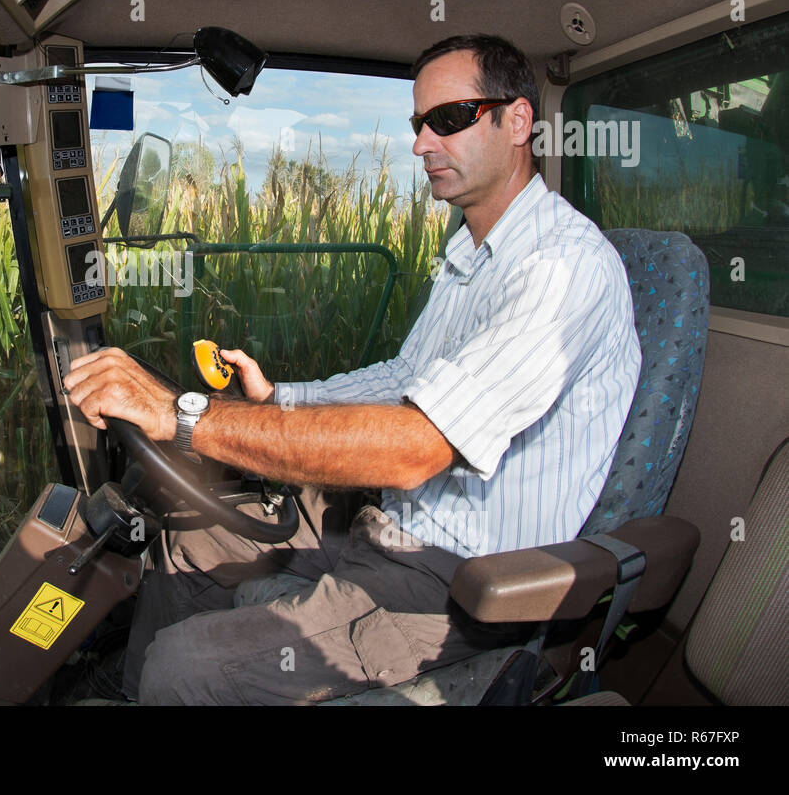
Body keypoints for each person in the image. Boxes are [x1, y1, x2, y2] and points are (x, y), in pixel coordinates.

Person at [63, 34, 642, 705]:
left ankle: (161, 684)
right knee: (187, 539)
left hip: (454, 575)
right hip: (382, 517)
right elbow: (404, 376)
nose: (423, 144)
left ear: (517, 121)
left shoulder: (560, 269)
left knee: (184, 666)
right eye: (417, 124)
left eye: (448, 119)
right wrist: (282, 396)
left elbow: (414, 449)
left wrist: (181, 414)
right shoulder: (472, 254)